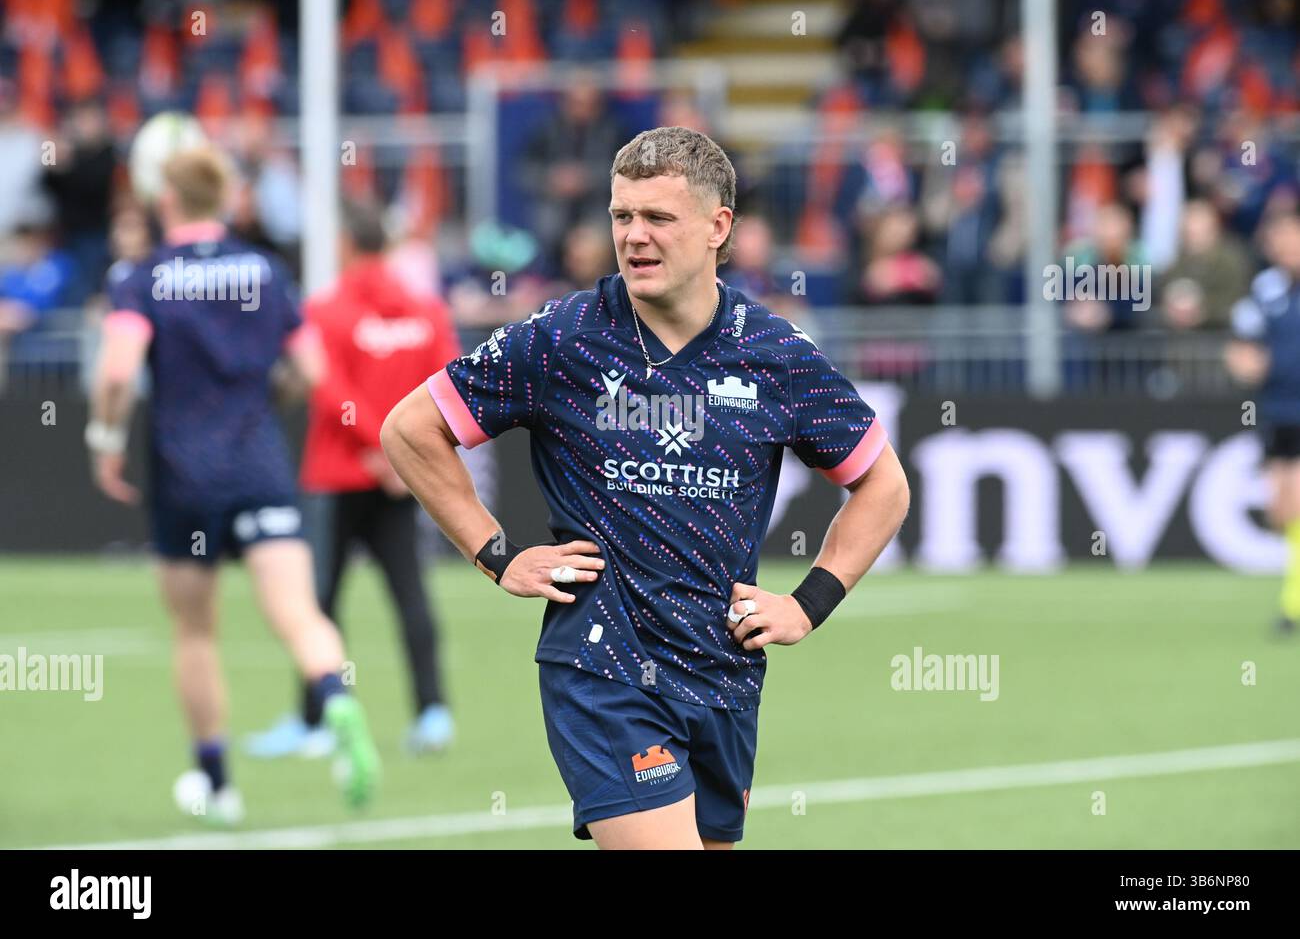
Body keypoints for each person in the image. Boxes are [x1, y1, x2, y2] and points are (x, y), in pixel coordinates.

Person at [381, 126, 910, 849]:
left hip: (725, 673)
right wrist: (497, 554)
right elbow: (411, 430)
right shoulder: (563, 338)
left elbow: (883, 484)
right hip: (604, 666)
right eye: (621, 216)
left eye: (658, 218)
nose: (634, 236)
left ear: (718, 226)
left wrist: (808, 604)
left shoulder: (777, 355)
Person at [87, 148, 380, 824]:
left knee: (195, 632)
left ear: (166, 202)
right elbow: (309, 370)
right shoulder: (265, 271)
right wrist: (259, 402)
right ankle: (335, 699)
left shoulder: (145, 276)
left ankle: (217, 784)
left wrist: (103, 441)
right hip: (260, 468)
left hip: (185, 477)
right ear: (225, 201)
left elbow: (114, 371)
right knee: (300, 613)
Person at [246, 199, 459, 758]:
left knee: (317, 601)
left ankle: (314, 721)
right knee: (410, 593)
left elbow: (330, 390)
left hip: (339, 475)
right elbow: (451, 383)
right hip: (400, 476)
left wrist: (375, 446)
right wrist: (400, 452)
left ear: (345, 245)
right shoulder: (426, 309)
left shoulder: (328, 309)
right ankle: (433, 712)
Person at [1226, 212, 1300, 634]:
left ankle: (1291, 607)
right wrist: (1244, 362)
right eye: (1282, 241)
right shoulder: (1264, 291)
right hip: (1278, 413)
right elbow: (1243, 348)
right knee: (1282, 510)